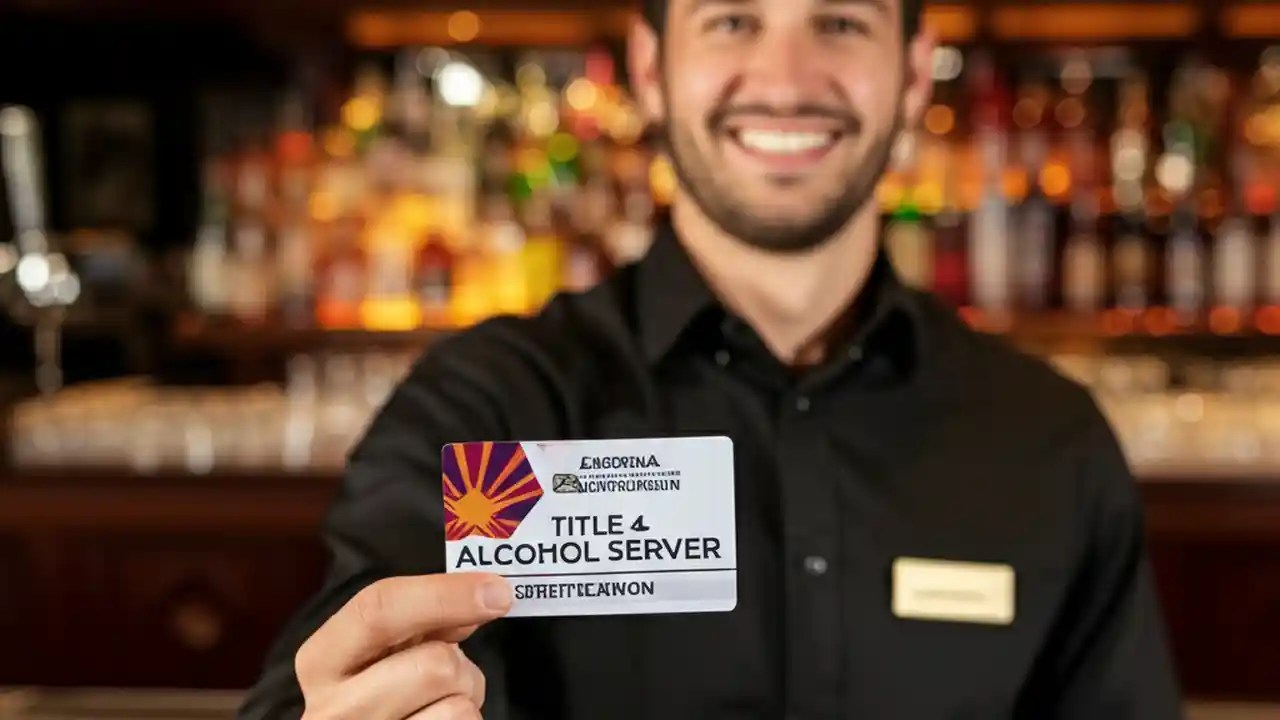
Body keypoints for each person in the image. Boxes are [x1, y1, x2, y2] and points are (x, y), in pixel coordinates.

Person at [239, 0, 1183, 717]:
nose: (785, 76)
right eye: (731, 19)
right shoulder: (488, 407)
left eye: (841, 22)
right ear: (650, 68)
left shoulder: (1049, 441)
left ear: (910, 73)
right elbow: (325, 676)